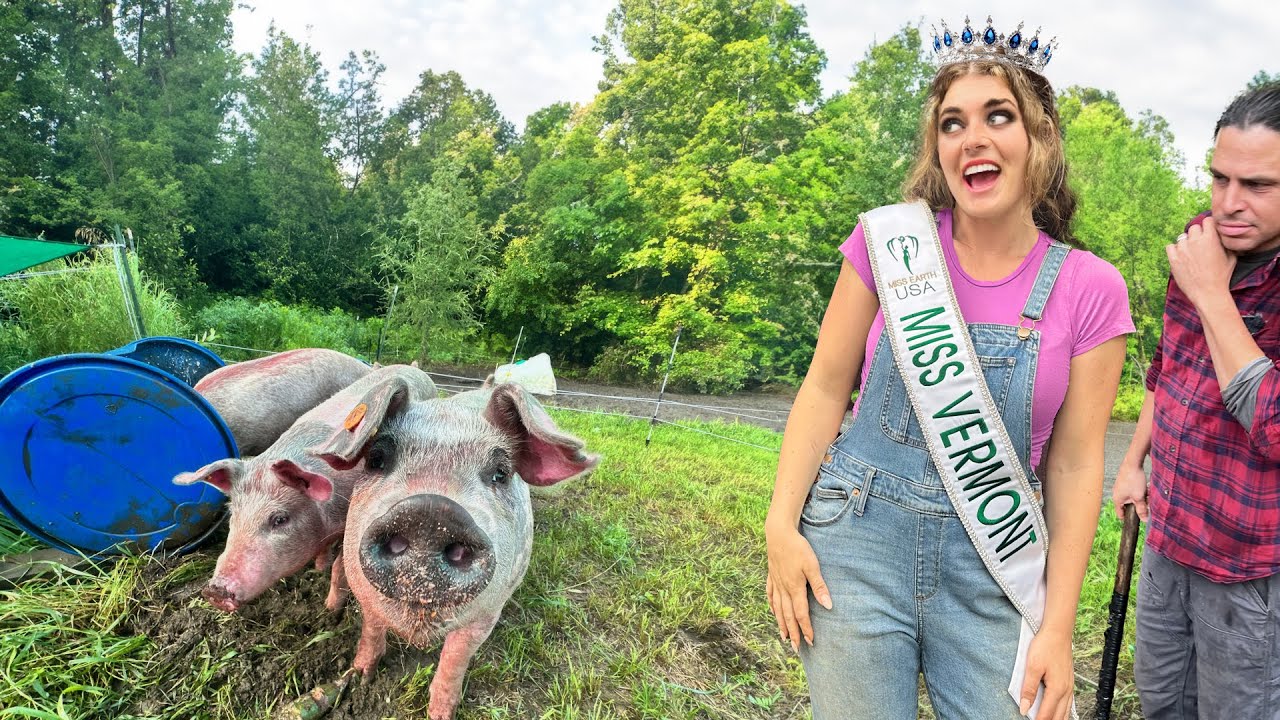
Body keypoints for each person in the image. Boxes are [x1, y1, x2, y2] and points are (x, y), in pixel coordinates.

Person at [765, 16, 1133, 720]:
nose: (974, 140)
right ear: (938, 145)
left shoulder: (1091, 289)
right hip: (856, 545)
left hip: (992, 569)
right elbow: (822, 388)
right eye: (953, 123)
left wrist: (1056, 628)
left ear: (1041, 137)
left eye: (999, 116)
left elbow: (1077, 465)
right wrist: (781, 526)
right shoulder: (889, 246)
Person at [1112, 82, 1280, 719]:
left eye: (1258, 185)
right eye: (1220, 178)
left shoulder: (1206, 267)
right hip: (1169, 539)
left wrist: (1213, 293)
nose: (1230, 203)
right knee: (1161, 708)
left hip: (1250, 574)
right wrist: (1134, 461)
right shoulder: (1200, 242)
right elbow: (1169, 368)